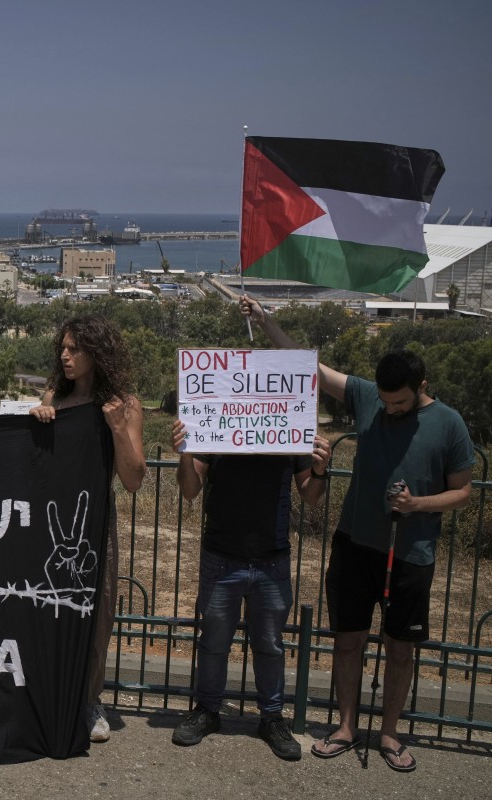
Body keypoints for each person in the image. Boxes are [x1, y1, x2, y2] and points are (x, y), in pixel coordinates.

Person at [242, 296, 474, 772]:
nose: (390, 409)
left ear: (422, 387)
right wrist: (265, 322)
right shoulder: (368, 396)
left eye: (400, 403)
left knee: (400, 649)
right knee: (348, 641)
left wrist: (417, 505)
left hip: (411, 554)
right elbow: (309, 367)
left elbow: (463, 492)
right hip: (353, 546)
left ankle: (389, 734)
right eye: (385, 402)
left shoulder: (450, 424)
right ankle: (346, 727)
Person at [169, 418, 332, 760]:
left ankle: (271, 718)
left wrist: (320, 471)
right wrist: (185, 453)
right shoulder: (214, 419)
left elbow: (311, 496)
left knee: (270, 646)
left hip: (272, 559)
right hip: (221, 556)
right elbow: (189, 490)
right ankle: (207, 710)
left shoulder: (289, 423)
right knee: (214, 642)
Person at [29, 314, 147, 742]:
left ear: (97, 354)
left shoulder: (125, 405)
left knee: (97, 611)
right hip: (49, 520)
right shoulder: (54, 398)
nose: (65, 355)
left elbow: (134, 478)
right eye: (62, 348)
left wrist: (116, 428)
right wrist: (38, 417)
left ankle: (89, 700)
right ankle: (49, 692)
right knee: (48, 605)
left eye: (74, 349)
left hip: (94, 522)